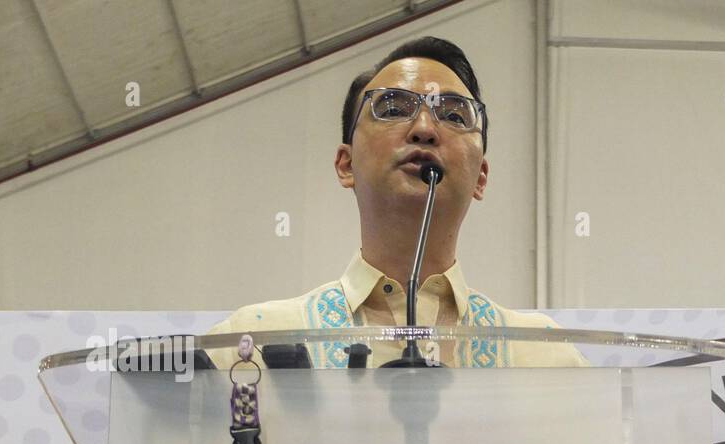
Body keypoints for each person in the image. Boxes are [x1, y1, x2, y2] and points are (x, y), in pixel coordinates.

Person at [206, 36, 584, 369]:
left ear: (480, 177)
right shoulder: (251, 346)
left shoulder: (546, 355)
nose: (424, 129)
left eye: (453, 115)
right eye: (392, 109)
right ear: (346, 164)